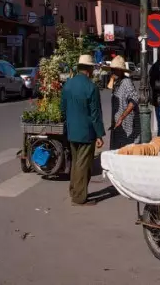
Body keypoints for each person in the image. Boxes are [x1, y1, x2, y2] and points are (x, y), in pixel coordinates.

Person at [60, 55, 105, 206]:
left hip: (72, 130)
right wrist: (99, 134)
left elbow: (63, 109)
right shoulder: (91, 87)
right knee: (83, 165)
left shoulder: (68, 85)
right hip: (87, 132)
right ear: (89, 69)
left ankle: (74, 191)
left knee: (75, 162)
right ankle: (79, 197)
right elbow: (95, 114)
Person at [108, 56, 140, 150]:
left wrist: (122, 117)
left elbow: (134, 99)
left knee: (126, 151)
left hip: (127, 125)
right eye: (112, 70)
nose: (113, 72)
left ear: (121, 70)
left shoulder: (127, 82)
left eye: (115, 70)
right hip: (118, 126)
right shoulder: (117, 83)